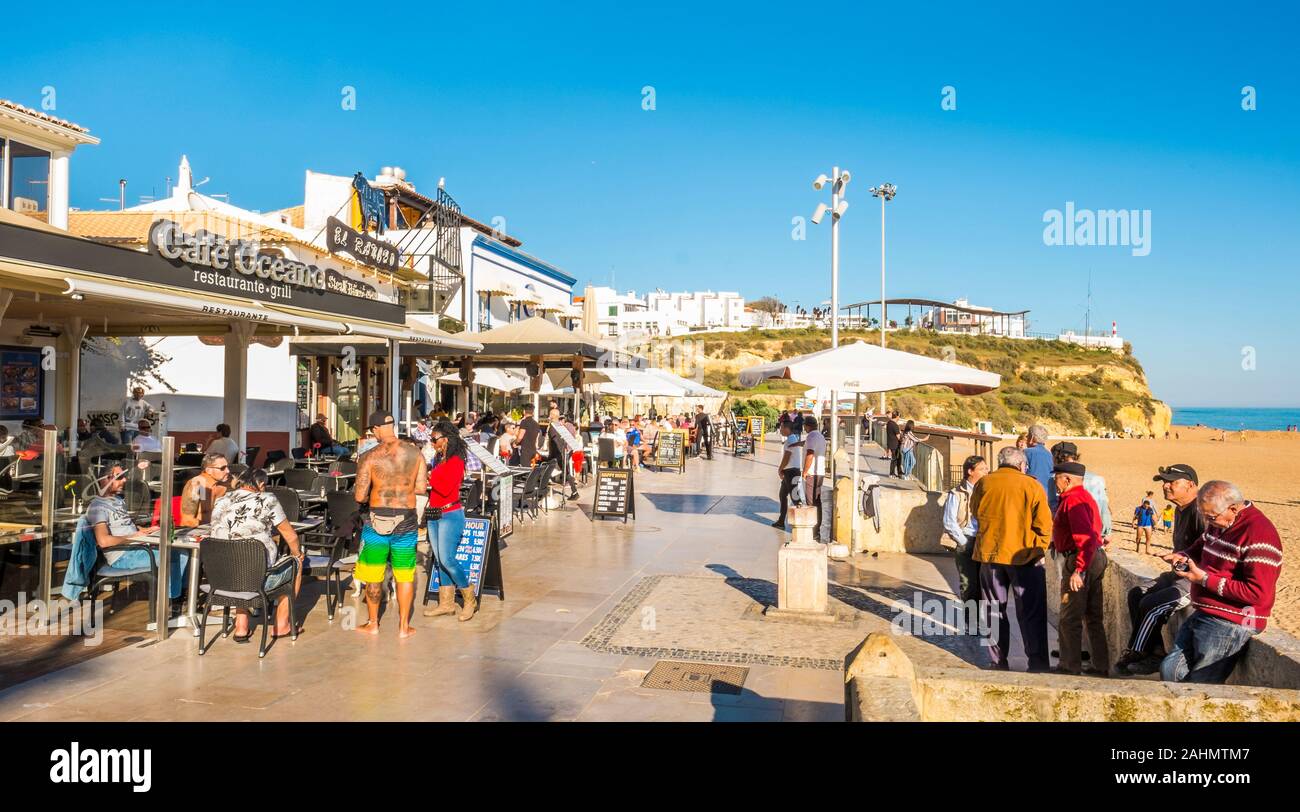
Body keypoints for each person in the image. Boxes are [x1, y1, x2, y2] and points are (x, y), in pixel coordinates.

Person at [1160, 481, 1282, 684]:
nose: (1208, 521)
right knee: (1170, 670)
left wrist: (1204, 579)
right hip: (1205, 611)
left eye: (1210, 517)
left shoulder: (1259, 534)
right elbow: (1201, 545)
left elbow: (1258, 593)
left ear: (1233, 508)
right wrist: (1182, 556)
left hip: (1231, 621)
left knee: (1201, 684)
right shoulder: (1221, 522)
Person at [1115, 464, 1204, 675]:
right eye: (1164, 482)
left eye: (1172, 482)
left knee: (1152, 604)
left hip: (1194, 579)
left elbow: (1209, 552)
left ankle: (1137, 652)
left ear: (1190, 484)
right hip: (1177, 572)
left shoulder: (1200, 511)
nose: (1166, 486)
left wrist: (1184, 561)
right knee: (1137, 594)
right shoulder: (1179, 509)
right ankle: (1154, 651)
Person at [971, 446, 1053, 672]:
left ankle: (998, 661)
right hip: (1024, 557)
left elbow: (975, 512)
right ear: (1021, 465)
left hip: (990, 555)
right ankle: (1036, 662)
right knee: (1030, 612)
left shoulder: (984, 483)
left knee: (993, 610)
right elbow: (1045, 525)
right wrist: (1039, 549)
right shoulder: (1032, 485)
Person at [353, 410, 427, 638]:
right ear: (392, 426)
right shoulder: (416, 453)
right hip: (406, 518)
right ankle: (404, 627)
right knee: (404, 574)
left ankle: (373, 623)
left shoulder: (369, 457)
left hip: (377, 519)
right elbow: (422, 488)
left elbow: (359, 496)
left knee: (373, 574)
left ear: (375, 429)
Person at [209, 468, 303, 640]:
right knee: (295, 563)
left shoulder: (221, 500)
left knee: (238, 558)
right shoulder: (267, 499)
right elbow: (290, 535)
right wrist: (297, 553)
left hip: (222, 579)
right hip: (258, 579)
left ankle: (241, 626)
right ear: (261, 485)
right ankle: (281, 625)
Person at [85, 464, 189, 601]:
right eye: (119, 477)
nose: (124, 480)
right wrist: (134, 536)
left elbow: (123, 525)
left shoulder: (117, 501)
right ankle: (171, 603)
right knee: (173, 555)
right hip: (122, 555)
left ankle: (179, 596)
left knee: (182, 551)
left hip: (137, 547)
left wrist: (144, 530)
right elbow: (104, 541)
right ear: (105, 480)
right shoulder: (97, 507)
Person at [1050, 461, 1109, 675]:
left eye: (1056, 477)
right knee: (1093, 617)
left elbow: (1085, 537)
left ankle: (1069, 665)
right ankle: (1100, 666)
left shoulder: (1073, 499)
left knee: (1070, 616)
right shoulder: (1085, 497)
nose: (1054, 482)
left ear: (1067, 479)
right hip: (1094, 556)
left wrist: (1079, 570)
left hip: (1080, 558)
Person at [422, 421, 476, 621]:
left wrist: (428, 475)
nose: (432, 442)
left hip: (450, 514)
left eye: (434, 439)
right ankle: (446, 603)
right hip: (434, 513)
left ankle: (469, 597)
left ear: (446, 440)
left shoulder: (456, 460)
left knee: (448, 559)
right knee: (439, 560)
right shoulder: (439, 459)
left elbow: (445, 488)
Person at [943, 455, 988, 632]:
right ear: (970, 471)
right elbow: (949, 521)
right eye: (982, 468)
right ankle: (971, 621)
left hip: (984, 541)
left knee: (984, 583)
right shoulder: (956, 493)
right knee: (969, 583)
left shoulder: (987, 490)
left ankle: (982, 618)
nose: (986, 471)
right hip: (967, 540)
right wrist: (964, 542)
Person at [1047, 441, 1112, 540]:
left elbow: (1053, 508)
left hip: (1066, 537)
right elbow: (1104, 508)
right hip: (1094, 534)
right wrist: (1107, 532)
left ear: (1057, 459)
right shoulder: (1097, 479)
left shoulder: (1054, 479)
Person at [179, 452, 231, 528]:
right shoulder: (197, 485)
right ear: (208, 470)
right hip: (196, 532)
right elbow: (187, 520)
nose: (227, 471)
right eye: (222, 468)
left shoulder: (223, 486)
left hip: (218, 531)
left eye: (227, 467)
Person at [773, 418, 805, 529]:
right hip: (789, 471)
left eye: (781, 427)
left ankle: (802, 523)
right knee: (783, 495)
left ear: (787, 428)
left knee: (795, 497)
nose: (780, 429)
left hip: (792, 472)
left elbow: (787, 457)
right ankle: (781, 521)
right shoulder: (791, 439)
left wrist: (780, 469)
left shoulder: (791, 440)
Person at [801, 415, 827, 541]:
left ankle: (813, 532)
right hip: (820, 473)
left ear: (807, 426)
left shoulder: (811, 436)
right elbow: (808, 445)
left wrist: (805, 471)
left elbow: (810, 454)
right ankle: (817, 530)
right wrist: (797, 443)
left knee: (811, 503)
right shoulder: (820, 436)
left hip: (812, 473)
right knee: (817, 502)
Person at [1023, 424, 1053, 496]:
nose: (1026, 438)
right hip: (1048, 495)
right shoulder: (1049, 454)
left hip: (1032, 493)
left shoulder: (1026, 452)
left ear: (1032, 438)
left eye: (1028, 436)